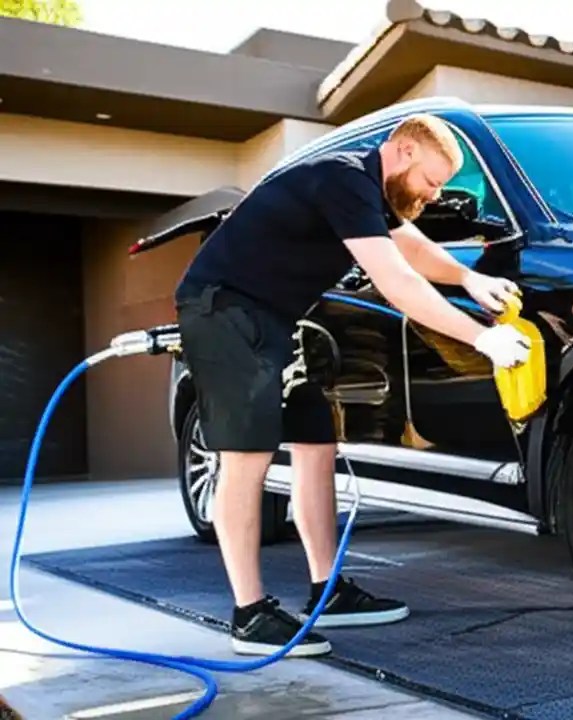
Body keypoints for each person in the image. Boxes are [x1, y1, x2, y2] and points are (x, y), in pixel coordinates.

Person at [172, 113, 531, 658]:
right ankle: (249, 614)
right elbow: (397, 281)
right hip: (225, 308)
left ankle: (327, 590)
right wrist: (482, 339)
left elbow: (409, 246)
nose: (434, 196)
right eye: (432, 182)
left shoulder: (367, 193)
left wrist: (468, 277)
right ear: (405, 151)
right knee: (247, 457)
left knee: (316, 442)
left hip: (277, 317)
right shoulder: (343, 177)